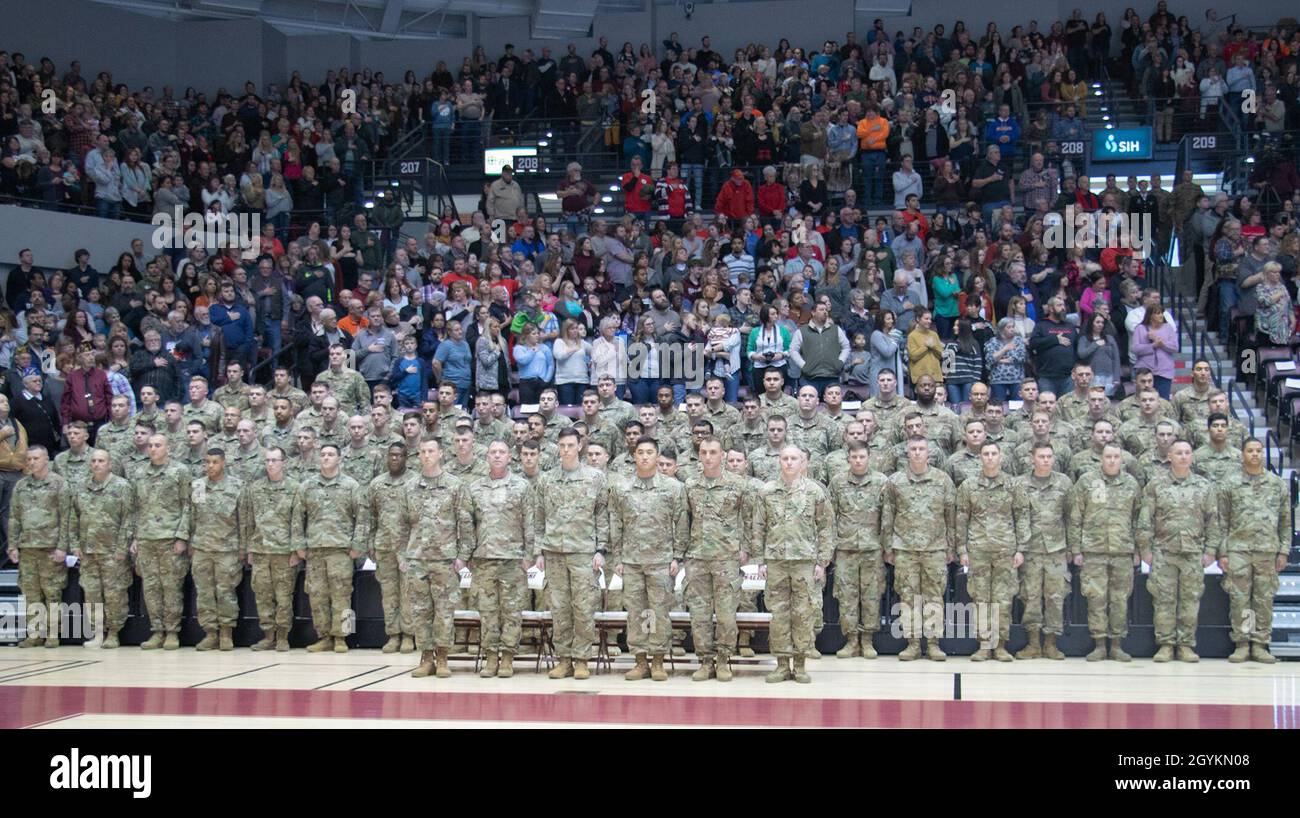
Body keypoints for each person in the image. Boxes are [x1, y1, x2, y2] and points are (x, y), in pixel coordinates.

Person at [609, 436, 688, 681]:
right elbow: (616, 523)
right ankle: (640, 660)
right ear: (634, 456)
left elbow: (681, 522)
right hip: (631, 561)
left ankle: (658, 661)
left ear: (657, 456)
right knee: (636, 611)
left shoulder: (673, 488)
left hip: (661, 560)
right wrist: (617, 558)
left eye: (649, 452)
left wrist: (677, 557)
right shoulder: (621, 488)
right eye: (640, 452)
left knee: (659, 611)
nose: (644, 456)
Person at [754, 445, 833, 683]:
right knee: (778, 614)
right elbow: (758, 527)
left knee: (803, 613)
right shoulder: (766, 492)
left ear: (803, 463)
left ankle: (799, 664)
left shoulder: (814, 492)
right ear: (779, 461)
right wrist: (760, 560)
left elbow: (826, 527)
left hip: (805, 561)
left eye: (793, 459)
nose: (788, 462)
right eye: (785, 458)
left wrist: (822, 562)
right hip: (776, 561)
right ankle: (780, 664)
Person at [535, 428, 607, 680]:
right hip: (554, 550)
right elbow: (539, 517)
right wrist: (539, 551)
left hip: (583, 551)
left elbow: (601, 515)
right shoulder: (546, 479)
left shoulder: (595, 477)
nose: (566, 449)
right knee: (559, 608)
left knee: (584, 607)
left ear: (580, 446)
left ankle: (582, 659)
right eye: (562, 445)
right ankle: (563, 659)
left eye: (570, 445)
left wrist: (601, 549)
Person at [1140, 439, 1220, 663]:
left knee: (1190, 600)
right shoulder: (1156, 485)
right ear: (1170, 457)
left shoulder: (1204, 486)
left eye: (1187, 452)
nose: (1183, 456)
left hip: (1193, 553)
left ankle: (1185, 644)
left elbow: (1213, 521)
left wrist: (1211, 550)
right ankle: (1165, 644)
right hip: (1164, 551)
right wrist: (1146, 550)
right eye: (1179, 453)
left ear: (1192, 456)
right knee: (1163, 600)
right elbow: (1145, 519)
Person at [400, 438, 471, 678]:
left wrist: (463, 556)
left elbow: (465, 522)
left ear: (440, 453)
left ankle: (442, 656)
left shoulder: (454, 485)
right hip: (417, 558)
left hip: (445, 559)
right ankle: (426, 656)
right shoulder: (410, 487)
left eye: (431, 451)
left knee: (444, 611)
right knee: (420, 611)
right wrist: (402, 555)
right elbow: (400, 525)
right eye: (423, 451)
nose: (427, 455)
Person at [1217, 439, 1291, 664]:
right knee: (1240, 599)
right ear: (1242, 454)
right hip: (1239, 549)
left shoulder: (1277, 484)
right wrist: (1223, 552)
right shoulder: (1230, 484)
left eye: (1259, 451)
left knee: (1263, 599)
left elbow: (1285, 521)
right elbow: (1222, 519)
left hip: (1267, 550)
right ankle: (1242, 642)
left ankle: (1260, 643)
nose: (1255, 454)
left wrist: (1284, 550)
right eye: (1250, 451)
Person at [466, 440, 535, 678]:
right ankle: (491, 657)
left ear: (509, 457)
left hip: (512, 559)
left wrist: (529, 555)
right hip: (483, 559)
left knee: (512, 611)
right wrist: (467, 554)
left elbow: (530, 522)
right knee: (487, 612)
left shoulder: (522, 486)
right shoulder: (474, 487)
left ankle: (507, 656)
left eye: (501, 452)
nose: (497, 456)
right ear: (486, 457)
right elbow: (468, 524)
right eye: (492, 452)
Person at [1068, 444, 1143, 662]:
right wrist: (1076, 549)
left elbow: (1139, 519)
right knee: (1096, 598)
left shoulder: (1131, 484)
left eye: (1116, 457)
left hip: (1122, 550)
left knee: (1120, 599)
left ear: (1122, 459)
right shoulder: (1087, 482)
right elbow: (1075, 517)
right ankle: (1099, 644)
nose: (1112, 460)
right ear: (1101, 459)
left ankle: (1117, 645)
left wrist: (1138, 549)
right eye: (1108, 456)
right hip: (1093, 550)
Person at [292, 443, 367, 654]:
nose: (326, 458)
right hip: (315, 549)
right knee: (316, 595)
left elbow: (362, 517)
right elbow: (298, 517)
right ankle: (323, 636)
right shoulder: (307, 486)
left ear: (339, 459)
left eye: (330, 454)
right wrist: (298, 544)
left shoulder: (351, 486)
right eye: (323, 454)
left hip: (341, 550)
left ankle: (343, 637)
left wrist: (357, 545)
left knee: (343, 594)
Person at [955, 441, 1022, 661]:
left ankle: (1001, 645)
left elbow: (1022, 518)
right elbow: (962, 518)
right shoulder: (969, 486)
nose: (990, 457)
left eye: (994, 453)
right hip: (978, 550)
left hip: (1006, 550)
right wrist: (962, 549)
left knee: (1003, 600)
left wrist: (1021, 549)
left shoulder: (1013, 485)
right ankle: (984, 644)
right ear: (980, 457)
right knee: (981, 598)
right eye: (986, 453)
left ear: (1001, 457)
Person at [131, 434, 192, 650]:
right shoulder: (139, 473)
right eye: (150, 446)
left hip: (170, 537)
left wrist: (182, 536)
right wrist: (135, 537)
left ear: (168, 448)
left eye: (157, 445)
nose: (153, 449)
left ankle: (172, 632)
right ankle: (156, 631)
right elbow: (136, 508)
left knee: (171, 586)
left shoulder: (180, 471)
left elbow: (188, 505)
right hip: (147, 538)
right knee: (151, 587)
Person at [829, 440, 888, 659]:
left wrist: (885, 545)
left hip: (873, 548)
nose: (858, 461)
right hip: (845, 549)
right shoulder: (837, 483)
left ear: (869, 457)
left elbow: (887, 517)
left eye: (862, 457)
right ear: (848, 459)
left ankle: (868, 640)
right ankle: (851, 640)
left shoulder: (881, 482)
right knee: (847, 596)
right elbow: (830, 516)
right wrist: (831, 548)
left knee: (871, 595)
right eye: (854, 457)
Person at [187, 448, 249, 652]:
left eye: (214, 462)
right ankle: (210, 633)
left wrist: (243, 548)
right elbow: (192, 516)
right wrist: (190, 543)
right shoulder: (198, 486)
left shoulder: (237, 486)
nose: (210, 466)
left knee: (226, 592)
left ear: (223, 462)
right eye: (207, 462)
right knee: (204, 593)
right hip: (202, 548)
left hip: (227, 549)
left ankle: (226, 633)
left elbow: (244, 520)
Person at [7, 446, 67, 647]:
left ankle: (52, 633)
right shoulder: (21, 486)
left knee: (52, 592)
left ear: (46, 459)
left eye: (36, 458)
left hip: (50, 546)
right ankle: (34, 634)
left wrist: (62, 546)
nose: (31, 462)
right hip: (27, 547)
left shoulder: (58, 483)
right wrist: (13, 545)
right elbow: (14, 517)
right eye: (29, 459)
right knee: (30, 592)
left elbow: (66, 517)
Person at [245, 445, 299, 652]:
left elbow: (297, 522)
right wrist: (249, 547)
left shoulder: (294, 488)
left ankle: (283, 636)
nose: (270, 464)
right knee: (262, 594)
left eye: (274, 460)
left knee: (284, 596)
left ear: (283, 463)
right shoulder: (255, 488)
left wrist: (295, 550)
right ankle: (268, 636)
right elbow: (250, 520)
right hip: (260, 550)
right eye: (267, 460)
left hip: (284, 551)